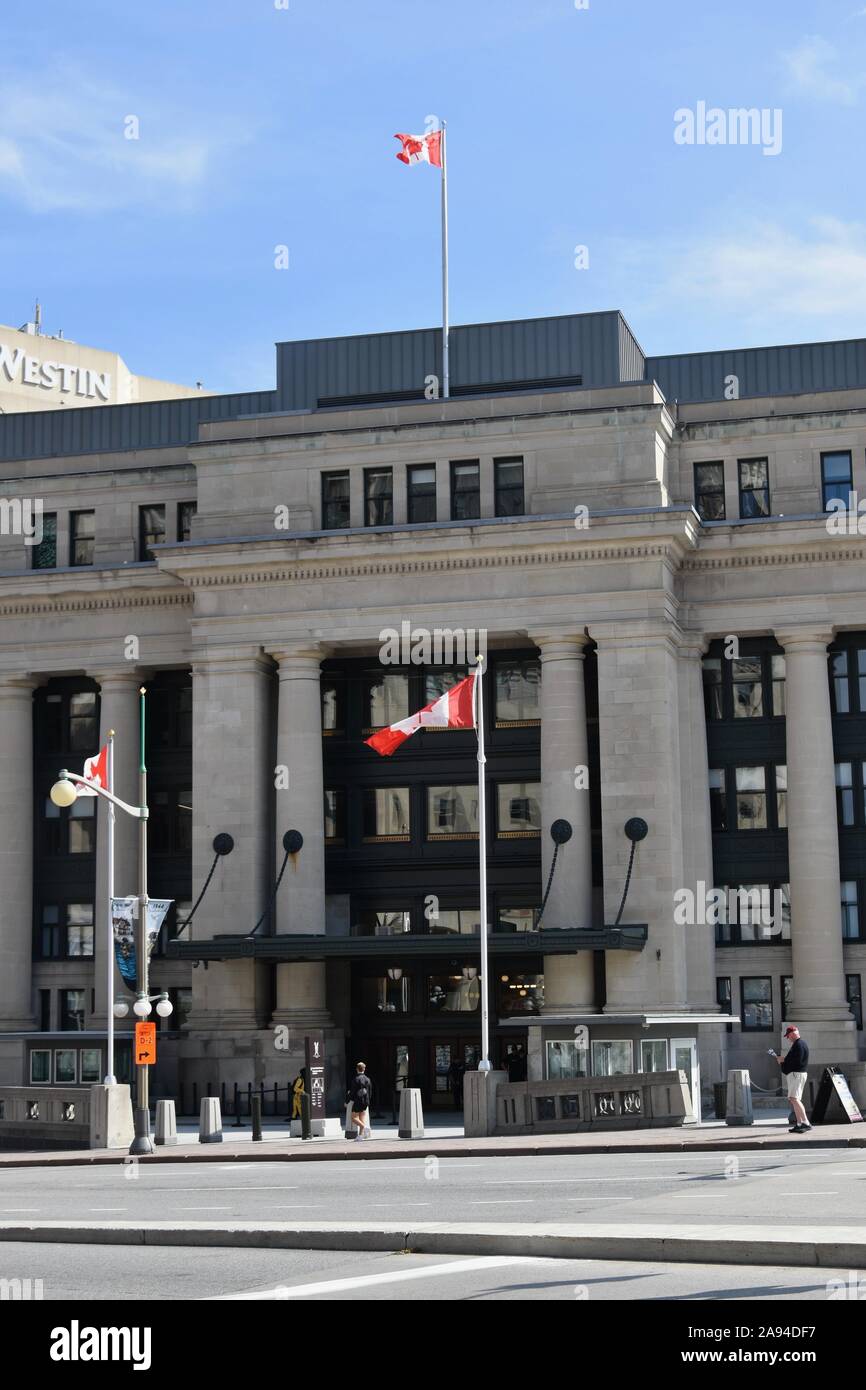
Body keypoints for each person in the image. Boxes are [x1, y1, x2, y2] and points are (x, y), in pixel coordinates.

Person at [772, 1025, 811, 1133]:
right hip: (797, 1074)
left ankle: (806, 1123)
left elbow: (795, 1062)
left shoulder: (798, 1045)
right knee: (793, 1099)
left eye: (788, 1036)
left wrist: (783, 1061)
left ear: (793, 1034)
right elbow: (795, 1061)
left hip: (796, 1074)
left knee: (794, 1099)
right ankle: (799, 1123)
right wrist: (784, 1060)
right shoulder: (800, 1044)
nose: (787, 1038)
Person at [348, 1061, 373, 1140]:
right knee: (362, 1118)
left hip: (358, 1101)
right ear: (364, 1069)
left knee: (353, 1118)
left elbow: (352, 1092)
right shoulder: (368, 1079)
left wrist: (347, 1101)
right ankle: (360, 1136)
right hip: (365, 1101)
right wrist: (368, 1100)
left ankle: (364, 1127)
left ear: (357, 1069)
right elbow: (370, 1091)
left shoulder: (356, 1079)